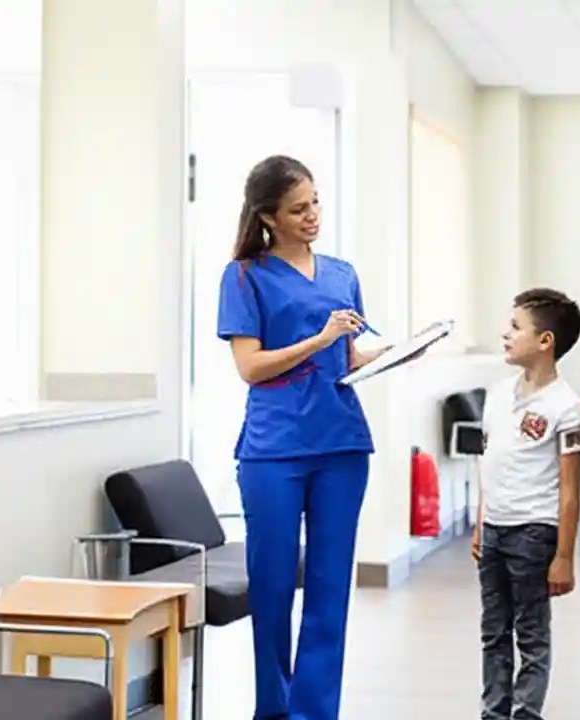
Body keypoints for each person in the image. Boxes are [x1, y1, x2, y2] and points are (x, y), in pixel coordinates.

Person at [216, 155, 386, 720]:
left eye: (315, 201)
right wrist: (318, 340)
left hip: (340, 442)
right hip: (274, 450)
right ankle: (274, 708)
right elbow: (251, 366)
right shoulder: (244, 276)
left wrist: (385, 355)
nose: (313, 215)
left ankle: (314, 712)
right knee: (270, 586)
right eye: (298, 208)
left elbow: (348, 354)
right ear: (269, 216)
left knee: (331, 587)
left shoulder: (342, 273)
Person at [472, 288, 580, 720]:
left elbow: (571, 490)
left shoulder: (566, 406)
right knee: (493, 632)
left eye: (515, 327)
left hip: (534, 534)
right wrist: (482, 523)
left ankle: (526, 713)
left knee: (531, 635)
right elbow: (489, 462)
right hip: (496, 530)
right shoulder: (498, 394)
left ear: (545, 342)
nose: (506, 334)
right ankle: (494, 712)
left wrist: (564, 556)